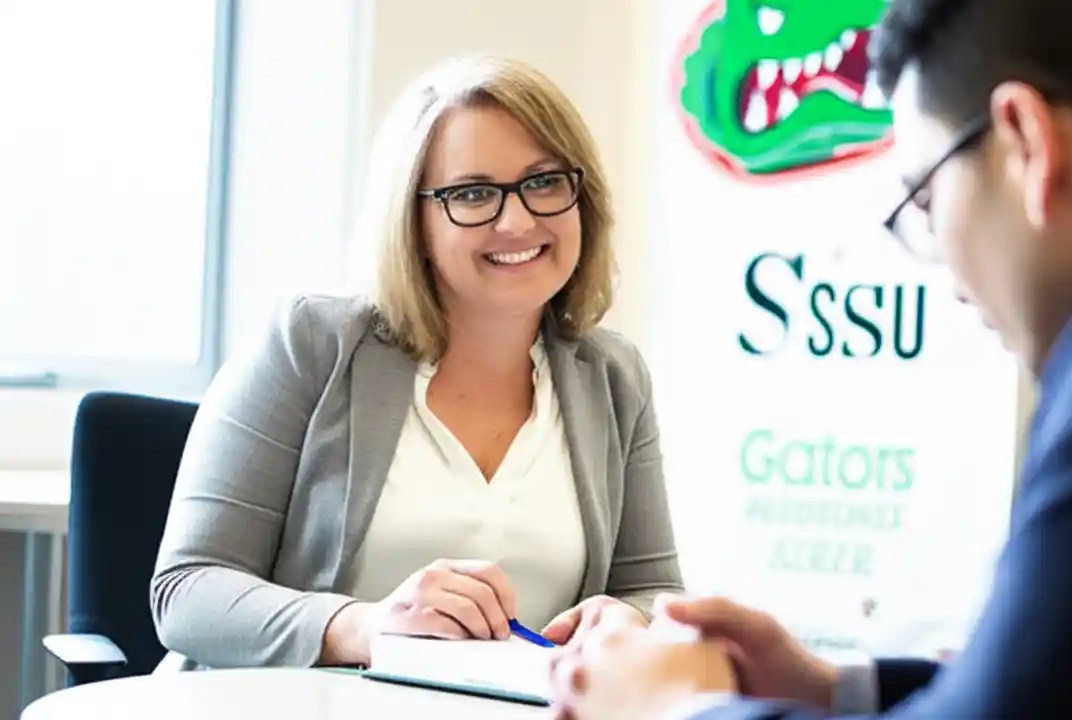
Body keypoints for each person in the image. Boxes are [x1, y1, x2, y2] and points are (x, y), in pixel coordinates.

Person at [548, 0, 1072, 717]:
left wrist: (667, 708)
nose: (951, 282)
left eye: (924, 202)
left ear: (1025, 141)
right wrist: (832, 691)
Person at [149, 55, 682, 671]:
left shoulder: (614, 376)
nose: (517, 220)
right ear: (412, 220)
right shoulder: (310, 344)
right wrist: (365, 626)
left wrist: (631, 619)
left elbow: (653, 588)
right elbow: (187, 591)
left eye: (544, 183)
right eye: (472, 194)